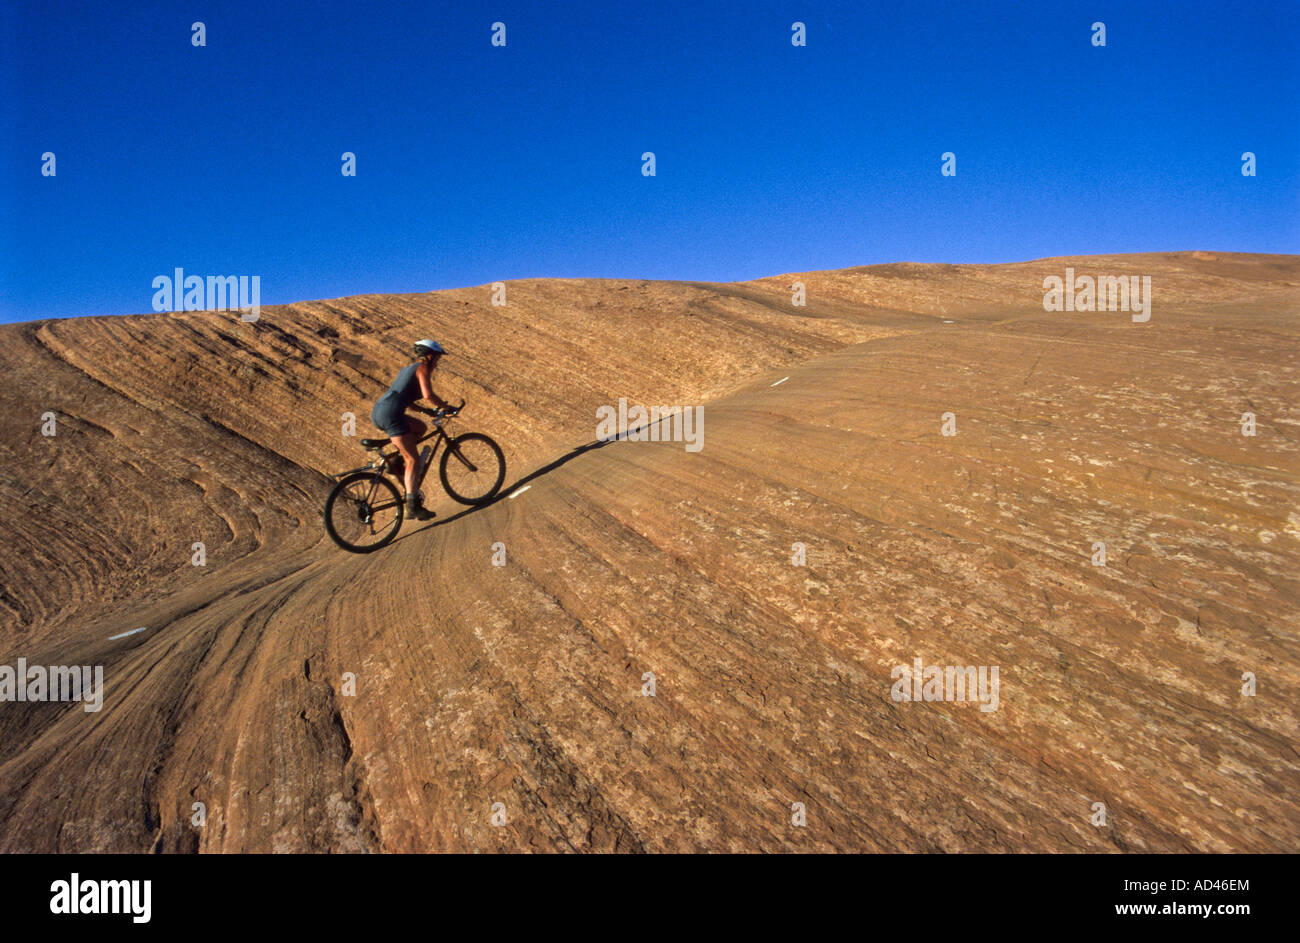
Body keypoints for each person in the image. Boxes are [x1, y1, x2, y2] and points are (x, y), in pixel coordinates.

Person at [371, 338, 456, 520]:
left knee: (420, 427)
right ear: (430, 356)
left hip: (380, 411)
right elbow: (428, 395)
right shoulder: (422, 368)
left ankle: (395, 462)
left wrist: (427, 411)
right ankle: (412, 506)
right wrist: (445, 407)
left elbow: (407, 401)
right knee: (413, 460)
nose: (438, 363)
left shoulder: (407, 370)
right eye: (438, 358)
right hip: (392, 414)